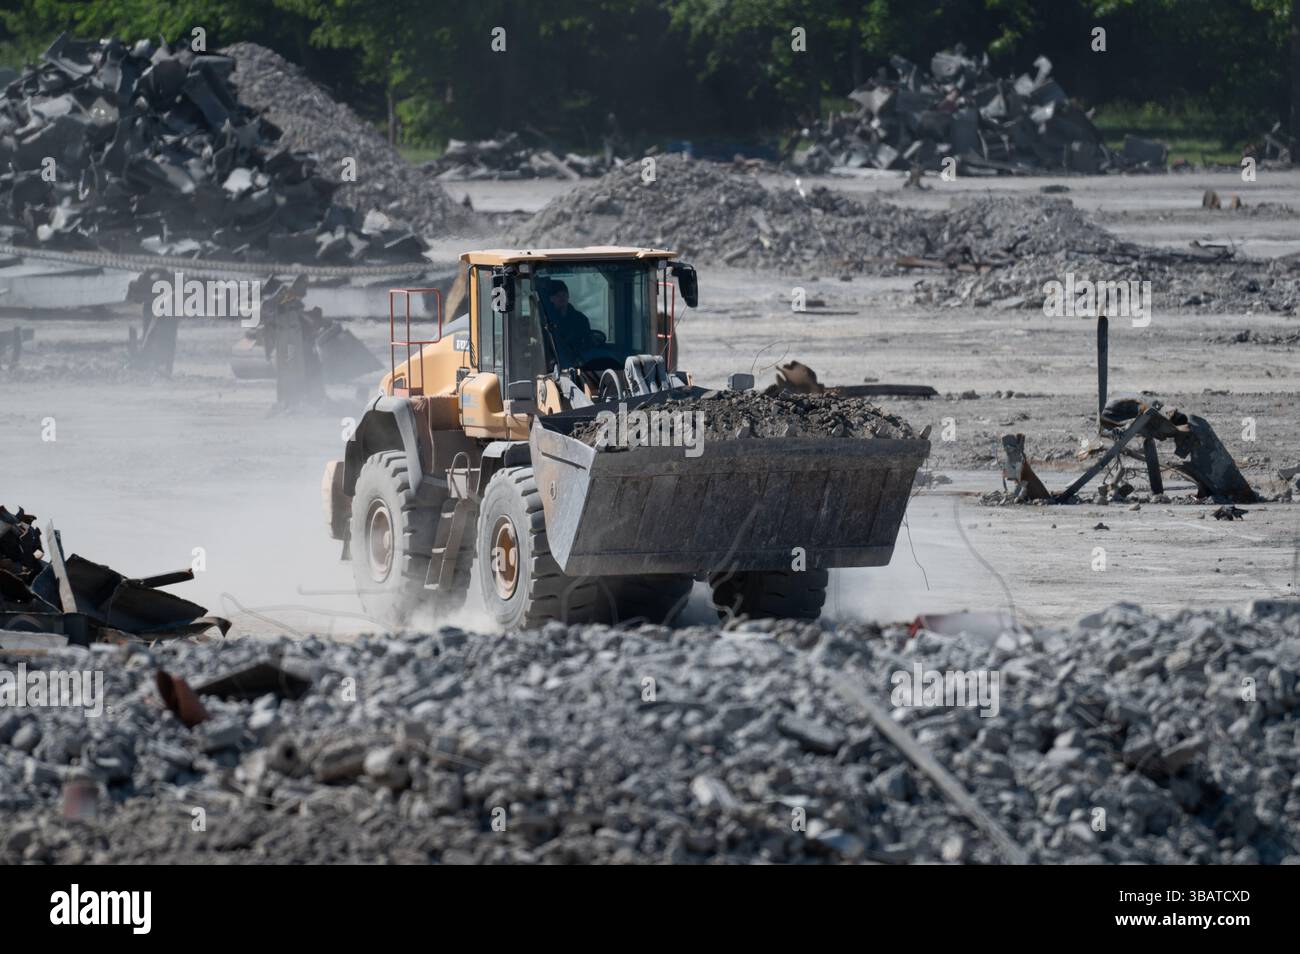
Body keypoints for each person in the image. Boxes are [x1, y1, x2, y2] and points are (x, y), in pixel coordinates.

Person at [544, 279, 595, 365]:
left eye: (564, 294)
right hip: (551, 366)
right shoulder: (545, 319)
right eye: (557, 295)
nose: (561, 298)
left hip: (579, 366)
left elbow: (588, 343)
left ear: (568, 296)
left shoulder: (580, 319)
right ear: (551, 298)